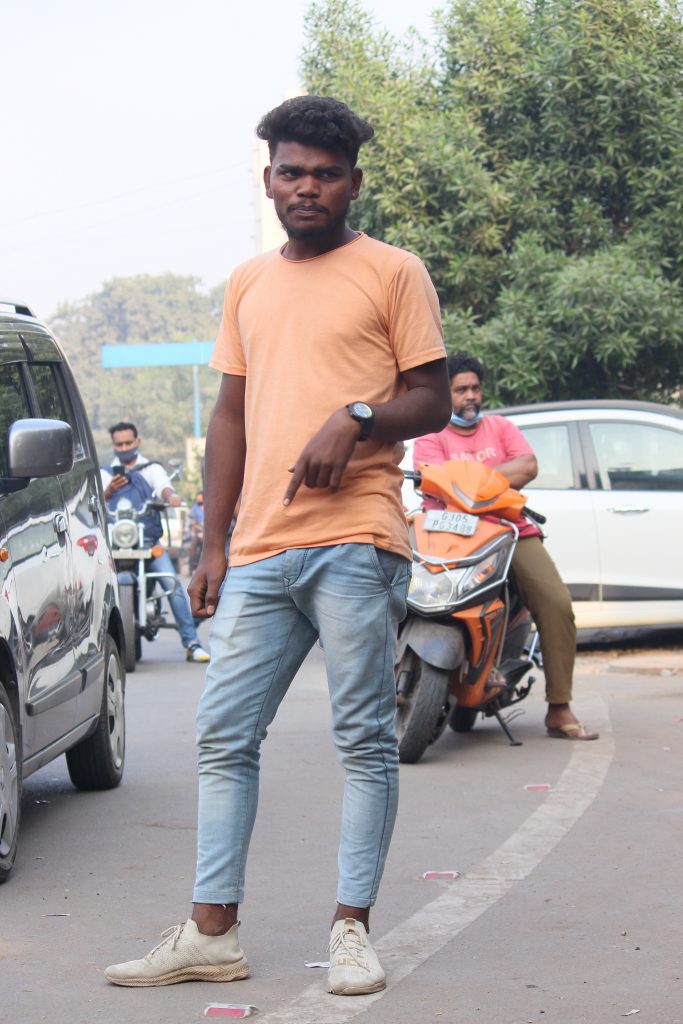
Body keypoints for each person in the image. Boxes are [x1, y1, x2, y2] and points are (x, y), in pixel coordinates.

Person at [104, 95, 451, 995]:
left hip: (355, 538)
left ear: (352, 184)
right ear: (269, 180)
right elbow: (230, 419)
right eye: (292, 172)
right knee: (224, 735)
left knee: (363, 738)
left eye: (325, 175)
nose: (307, 188)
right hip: (260, 546)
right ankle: (212, 931)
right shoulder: (249, 282)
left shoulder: (393, 272)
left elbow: (432, 396)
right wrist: (211, 546)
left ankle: (351, 931)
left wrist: (360, 415)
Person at [413, 352, 599, 741]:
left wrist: (463, 482)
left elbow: (527, 465)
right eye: (461, 389)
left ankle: (559, 708)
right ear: (446, 394)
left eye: (475, 388)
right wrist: (495, 482)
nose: (470, 396)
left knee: (556, 603)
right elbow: (429, 478)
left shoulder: (499, 427)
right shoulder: (433, 434)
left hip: (510, 530)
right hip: (450, 534)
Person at [101, 422, 210, 663]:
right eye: (119, 444)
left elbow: (164, 487)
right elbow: (94, 498)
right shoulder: (106, 472)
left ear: (137, 442)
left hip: (148, 543)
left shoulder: (150, 469)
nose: (124, 447)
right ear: (113, 446)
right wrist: (107, 492)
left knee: (172, 583)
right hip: (114, 546)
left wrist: (171, 497)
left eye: (128, 443)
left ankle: (192, 644)